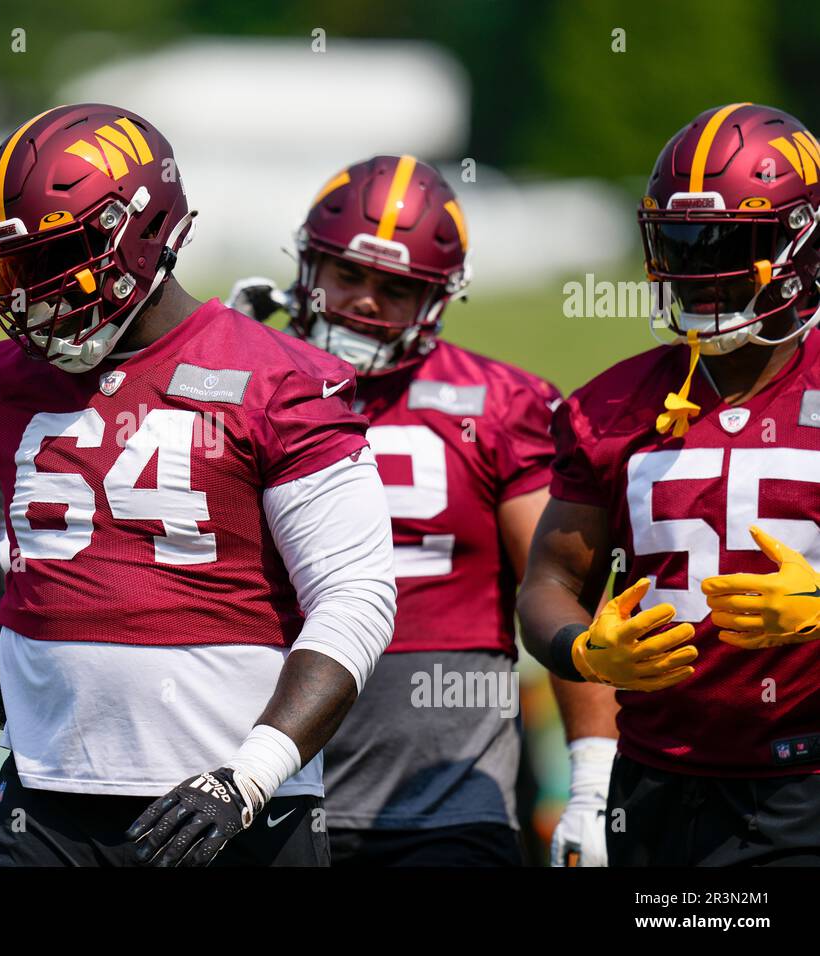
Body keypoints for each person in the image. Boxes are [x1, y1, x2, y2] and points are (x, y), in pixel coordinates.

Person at [0, 103, 397, 867]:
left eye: (55, 262)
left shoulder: (276, 379)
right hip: (42, 804)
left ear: (139, 233)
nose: (34, 297)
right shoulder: (5, 381)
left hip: (234, 811)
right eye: (16, 271)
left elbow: (357, 593)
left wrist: (251, 775)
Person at [232, 155, 585, 865]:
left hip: (443, 800)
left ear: (438, 298)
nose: (365, 301)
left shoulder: (502, 405)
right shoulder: (245, 383)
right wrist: (218, 360)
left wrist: (593, 780)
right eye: (349, 276)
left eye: (396, 288)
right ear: (308, 268)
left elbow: (563, 594)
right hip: (267, 776)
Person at [518, 103, 820, 866]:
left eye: (727, 242)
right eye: (680, 242)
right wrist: (584, 650)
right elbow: (550, 580)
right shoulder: (609, 406)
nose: (700, 269)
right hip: (655, 784)